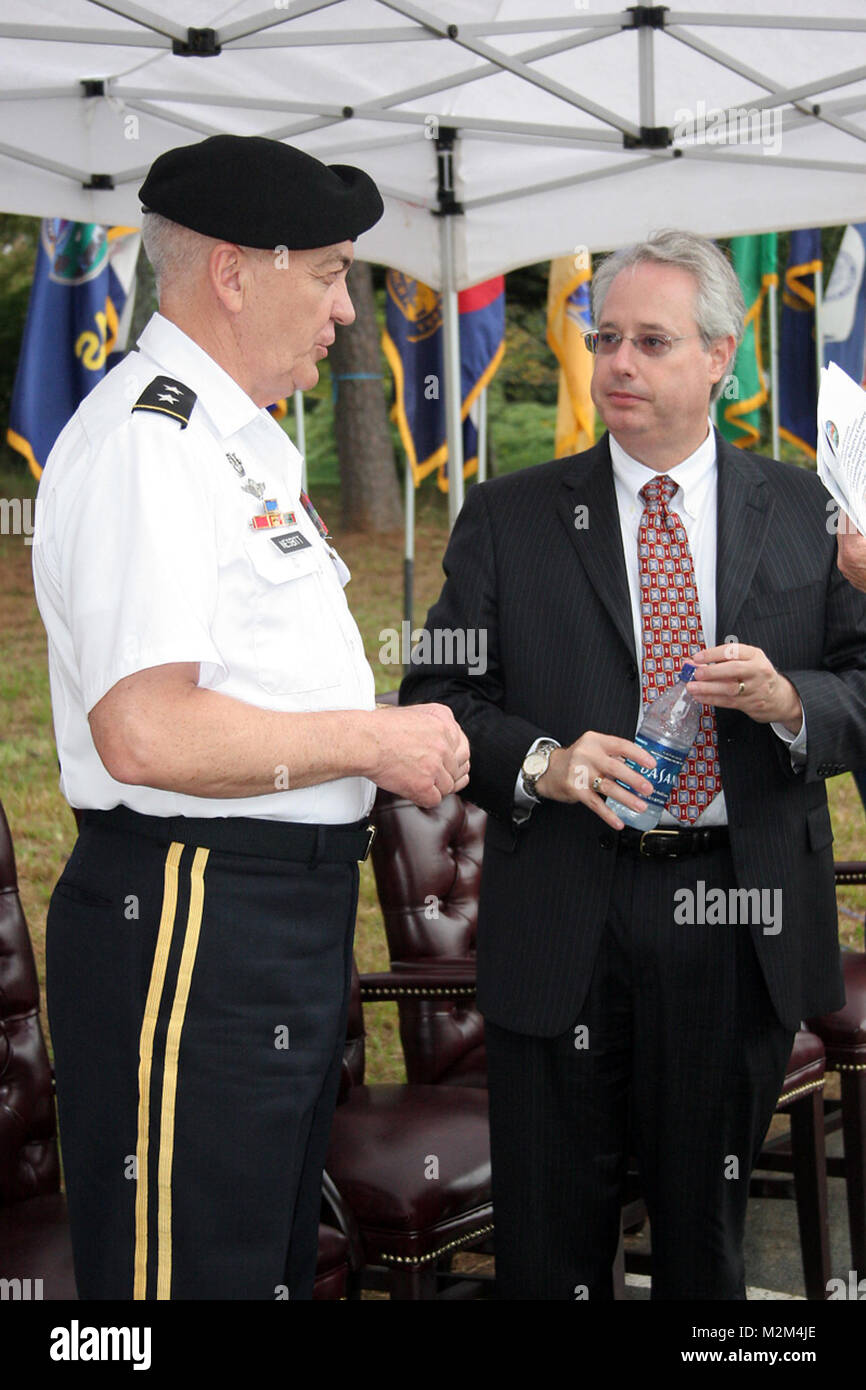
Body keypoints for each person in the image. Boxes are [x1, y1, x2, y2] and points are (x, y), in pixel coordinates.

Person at [31, 134, 470, 1301]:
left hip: (266, 914)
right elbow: (147, 733)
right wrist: (370, 739)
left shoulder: (239, 443)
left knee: (264, 1265)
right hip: (191, 909)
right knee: (187, 1276)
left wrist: (363, 734)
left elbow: (248, 686)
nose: (342, 310)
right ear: (234, 272)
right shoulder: (149, 447)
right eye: (326, 273)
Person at [401, 229, 866, 1300]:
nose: (616, 363)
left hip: (734, 916)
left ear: (718, 355)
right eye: (603, 337)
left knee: (701, 1240)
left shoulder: (804, 512)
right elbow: (432, 699)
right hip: (564, 906)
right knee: (549, 1242)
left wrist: (791, 701)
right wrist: (546, 763)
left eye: (649, 341)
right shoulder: (508, 515)